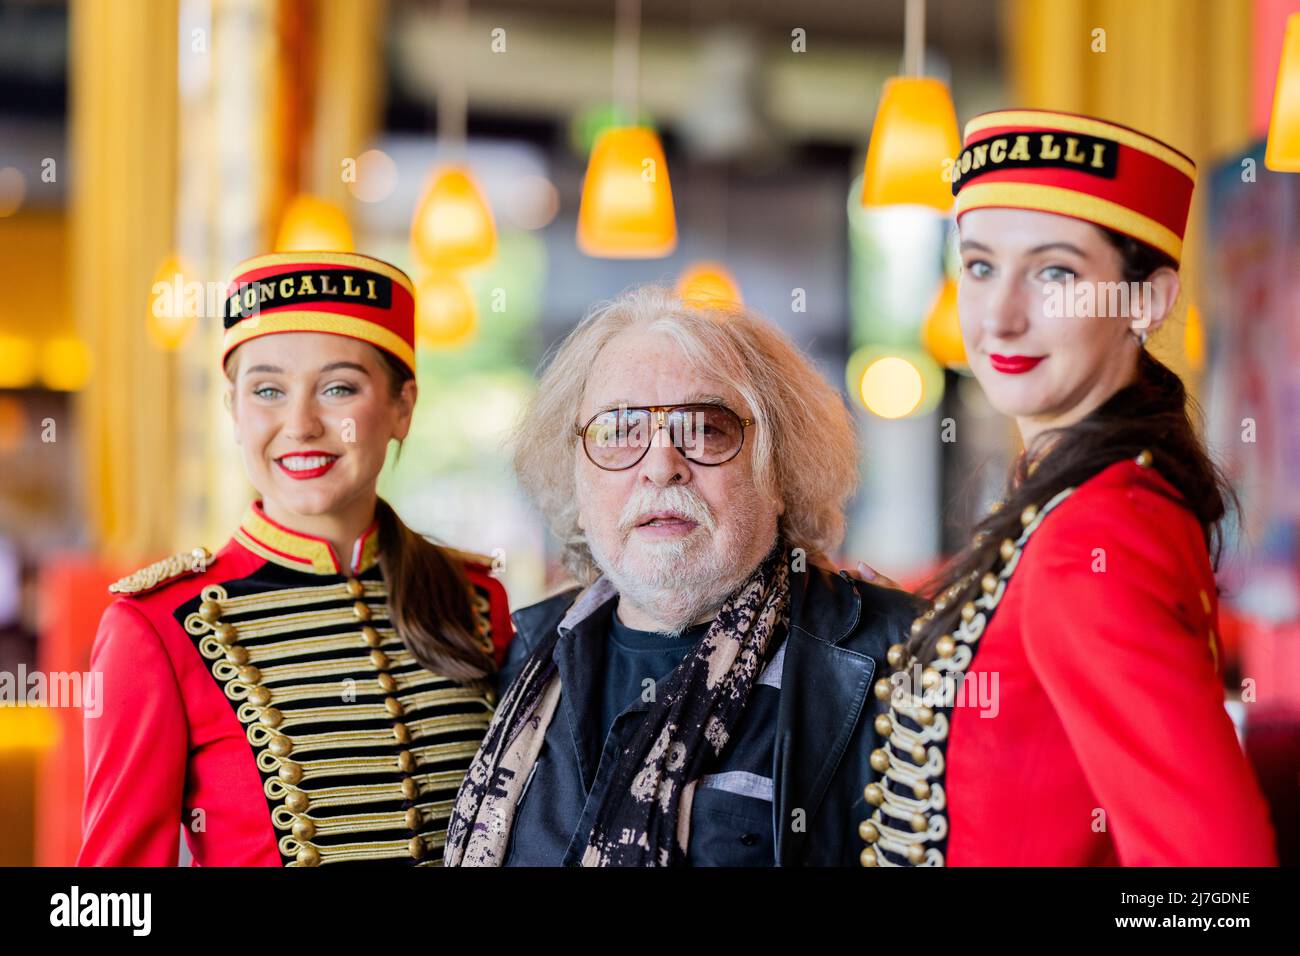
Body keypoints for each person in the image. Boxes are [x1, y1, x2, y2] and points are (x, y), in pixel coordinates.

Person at [861, 110, 1277, 866]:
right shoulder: (1085, 500)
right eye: (981, 266)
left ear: (1145, 302)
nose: (1003, 316)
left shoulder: (1095, 535)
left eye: (1056, 272)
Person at [444, 285, 921, 867]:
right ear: (574, 474)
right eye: (620, 431)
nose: (661, 466)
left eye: (706, 429)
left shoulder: (896, 656)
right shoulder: (522, 657)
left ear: (781, 469)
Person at [78, 251, 512, 867]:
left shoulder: (476, 599)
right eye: (268, 391)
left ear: (402, 407)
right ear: (233, 409)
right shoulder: (155, 627)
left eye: (338, 388)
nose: (301, 424)